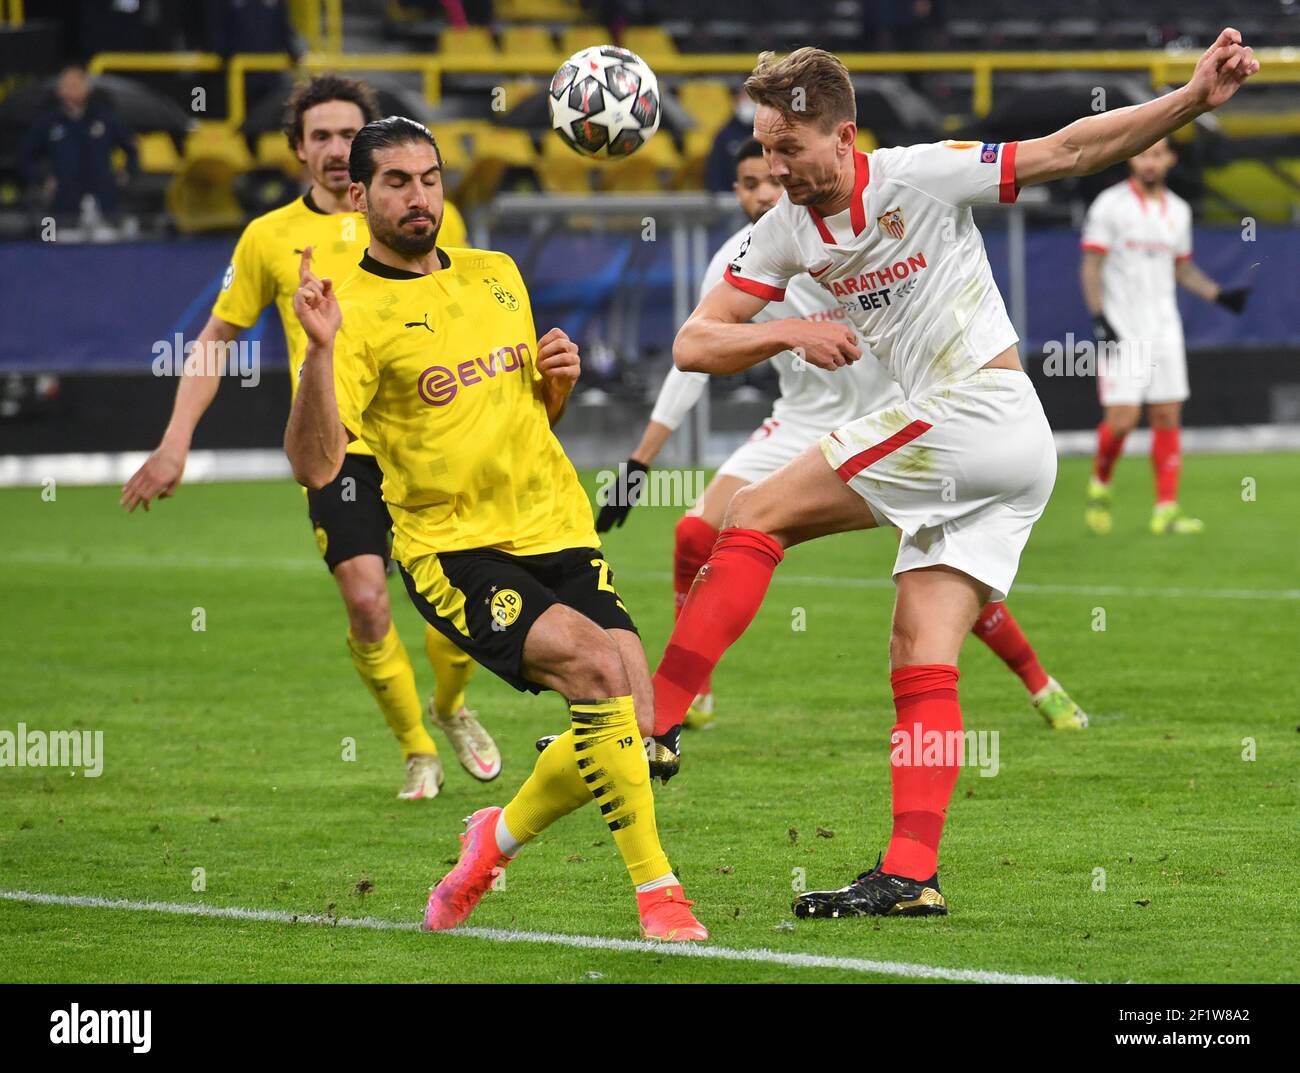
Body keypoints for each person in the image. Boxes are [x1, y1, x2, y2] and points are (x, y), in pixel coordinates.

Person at [650, 32, 1257, 920]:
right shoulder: (782, 232)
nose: (776, 164)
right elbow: (694, 342)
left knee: (753, 512)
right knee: (919, 653)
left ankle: (653, 726)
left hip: (979, 408)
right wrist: (784, 330)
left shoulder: (919, 173)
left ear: (844, 134)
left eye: (790, 145)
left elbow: (1069, 148)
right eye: (767, 146)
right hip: (997, 454)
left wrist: (1190, 98)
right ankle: (911, 873)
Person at [284, 116, 706, 941]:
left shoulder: (498, 273)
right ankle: (661, 896)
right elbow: (315, 463)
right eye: (398, 182)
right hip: (456, 547)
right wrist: (319, 354)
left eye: (431, 178)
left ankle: (490, 843)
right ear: (360, 194)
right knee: (595, 671)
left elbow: (526, 412)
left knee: (639, 719)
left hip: (556, 522)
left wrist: (561, 382)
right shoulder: (353, 312)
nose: (419, 196)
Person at [598, 138, 1088, 733]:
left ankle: (1040, 683)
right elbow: (691, 357)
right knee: (696, 530)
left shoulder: (868, 223)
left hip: (895, 412)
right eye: (750, 182)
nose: (763, 191)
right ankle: (689, 694)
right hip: (802, 418)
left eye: (771, 180)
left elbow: (1056, 155)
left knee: (940, 564)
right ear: (737, 191)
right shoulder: (746, 258)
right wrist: (639, 463)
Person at [120, 75, 498, 801]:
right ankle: (417, 747)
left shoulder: (427, 221)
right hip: (341, 450)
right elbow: (214, 339)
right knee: (367, 601)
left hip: (428, 445)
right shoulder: (269, 237)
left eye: (346, 136)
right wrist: (175, 442)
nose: (333, 149)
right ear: (297, 148)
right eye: (319, 136)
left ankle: (449, 705)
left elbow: (467, 323)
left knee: (456, 603)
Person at [1080, 137, 1250, 536]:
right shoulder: (1110, 205)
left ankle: (1166, 510)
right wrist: (1099, 318)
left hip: (1164, 329)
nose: (1150, 162)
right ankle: (1100, 485)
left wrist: (1219, 295)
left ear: (1170, 160)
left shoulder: (1179, 211)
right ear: (1132, 159)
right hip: (1123, 329)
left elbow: (1182, 268)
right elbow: (1091, 266)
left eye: (1158, 154)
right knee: (1122, 420)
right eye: (1143, 153)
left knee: (1167, 416)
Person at [20, 66, 138, 232]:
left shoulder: (105, 118)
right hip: (64, 205)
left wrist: (126, 172)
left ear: (87, 88)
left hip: (103, 201)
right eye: (67, 85)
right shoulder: (47, 123)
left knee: (106, 242)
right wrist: (42, 179)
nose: (72, 89)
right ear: (59, 90)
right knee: (61, 246)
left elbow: (132, 147)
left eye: (76, 84)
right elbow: (26, 156)